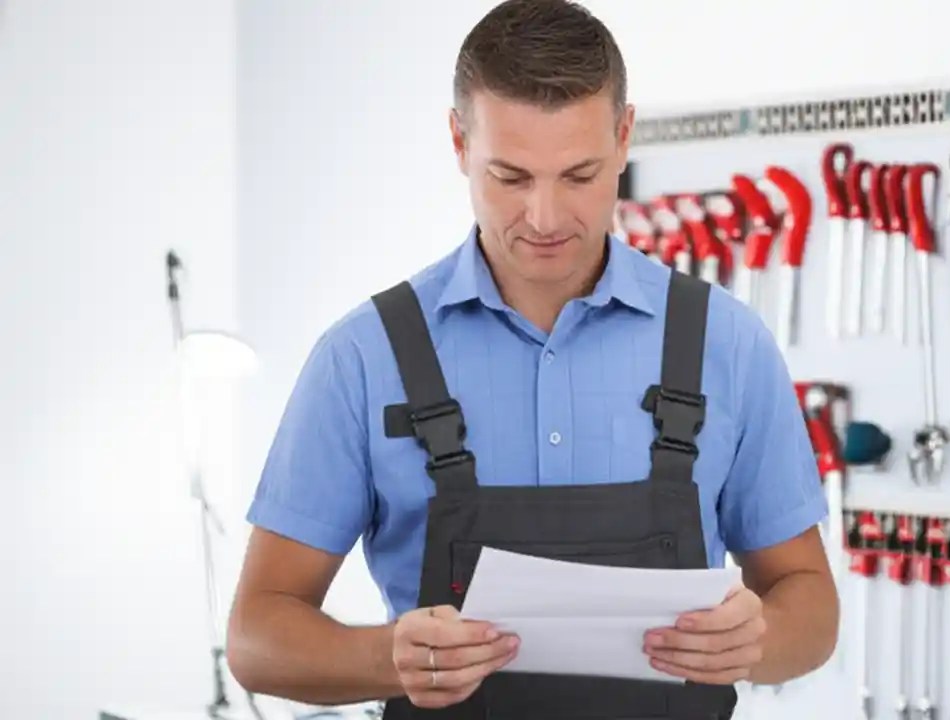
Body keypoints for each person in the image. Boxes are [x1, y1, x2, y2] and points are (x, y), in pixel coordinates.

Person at [225, 0, 838, 717]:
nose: (545, 218)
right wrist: (386, 657)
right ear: (459, 142)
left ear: (624, 137)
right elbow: (256, 638)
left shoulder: (726, 344)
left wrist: (758, 641)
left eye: (579, 175)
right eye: (511, 177)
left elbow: (811, 606)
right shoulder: (363, 357)